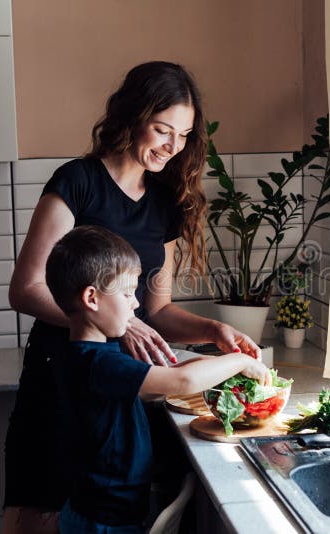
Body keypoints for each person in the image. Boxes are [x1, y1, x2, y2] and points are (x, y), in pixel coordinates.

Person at [3, 61, 262, 533]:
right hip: (59, 380)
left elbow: (156, 309)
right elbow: (26, 289)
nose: (172, 146)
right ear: (131, 117)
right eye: (163, 129)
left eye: (183, 135)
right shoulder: (77, 182)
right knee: (37, 517)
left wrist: (211, 328)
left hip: (120, 395)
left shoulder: (162, 203)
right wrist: (120, 325)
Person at [44, 226, 270, 533]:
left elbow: (159, 383)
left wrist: (220, 364)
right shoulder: (97, 362)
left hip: (106, 510)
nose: (136, 304)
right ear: (91, 298)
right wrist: (238, 361)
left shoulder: (94, 351)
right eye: (126, 294)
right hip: (103, 521)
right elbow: (183, 382)